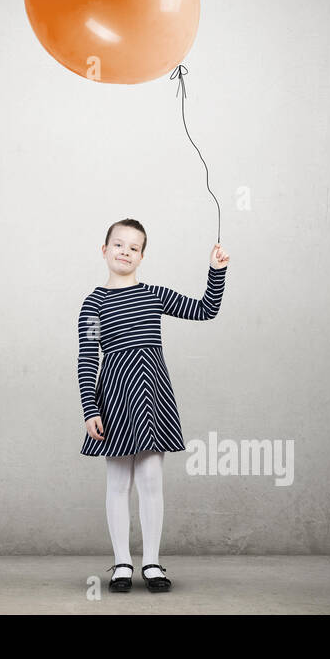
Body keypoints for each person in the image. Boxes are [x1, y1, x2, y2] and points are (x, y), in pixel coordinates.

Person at [77, 219, 229, 592]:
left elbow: (206, 309)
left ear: (142, 256)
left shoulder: (154, 295)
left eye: (134, 247)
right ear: (104, 250)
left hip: (152, 396)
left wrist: (216, 270)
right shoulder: (94, 304)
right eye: (118, 244)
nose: (125, 252)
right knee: (118, 482)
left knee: (150, 480)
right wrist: (90, 408)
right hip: (114, 398)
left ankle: (152, 563)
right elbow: (87, 357)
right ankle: (122, 563)